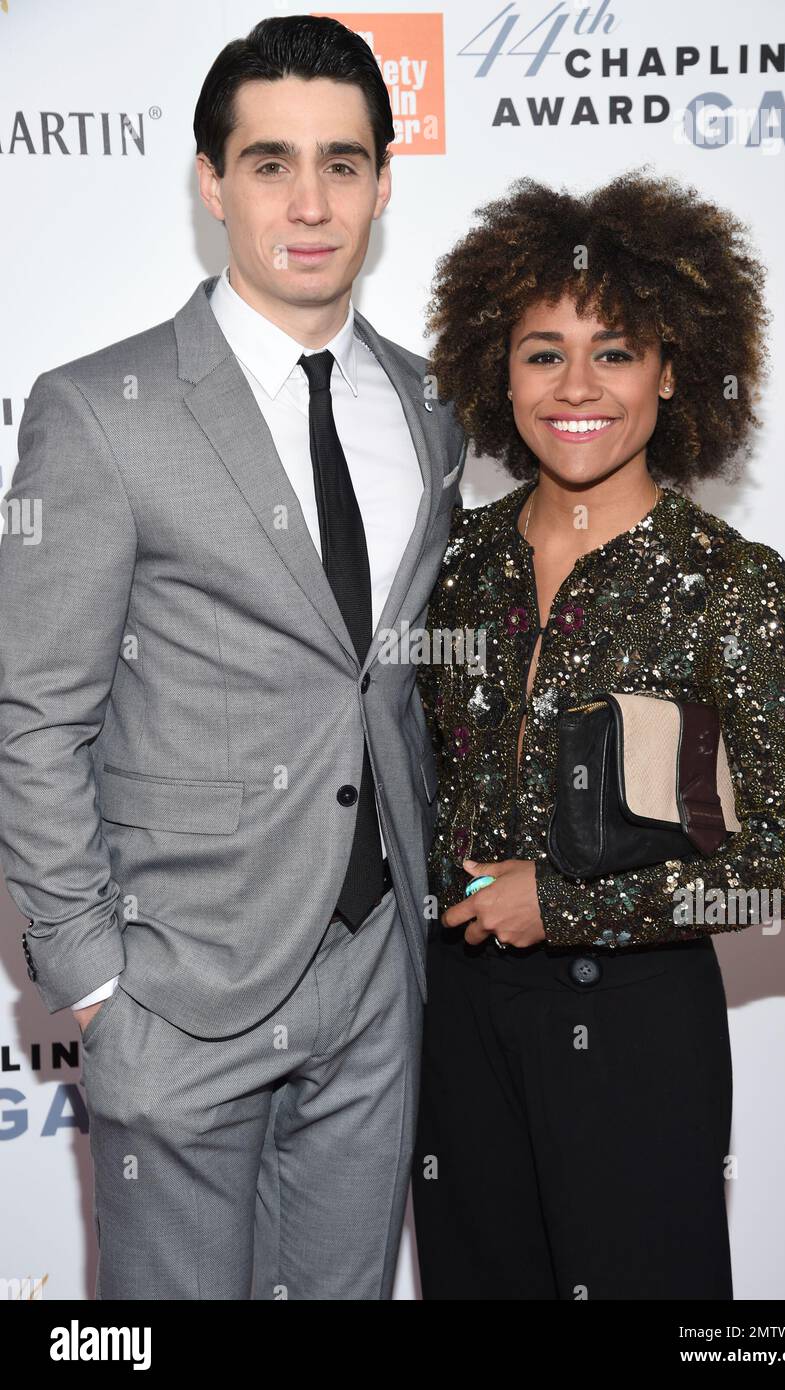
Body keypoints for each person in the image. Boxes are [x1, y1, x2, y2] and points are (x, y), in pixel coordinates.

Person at [0, 15, 465, 1300]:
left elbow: (391, 686)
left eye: (344, 162)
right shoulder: (100, 410)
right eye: (270, 163)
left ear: (382, 180)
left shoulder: (431, 407)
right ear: (212, 183)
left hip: (379, 974)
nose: (310, 203)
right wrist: (95, 983)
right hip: (178, 985)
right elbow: (32, 719)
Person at [410, 170, 785, 1300]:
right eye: (542, 350)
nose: (576, 386)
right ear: (494, 370)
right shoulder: (451, 563)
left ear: (671, 369)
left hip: (639, 1018)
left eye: (615, 350)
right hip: (454, 1015)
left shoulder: (728, 582)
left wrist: (566, 902)